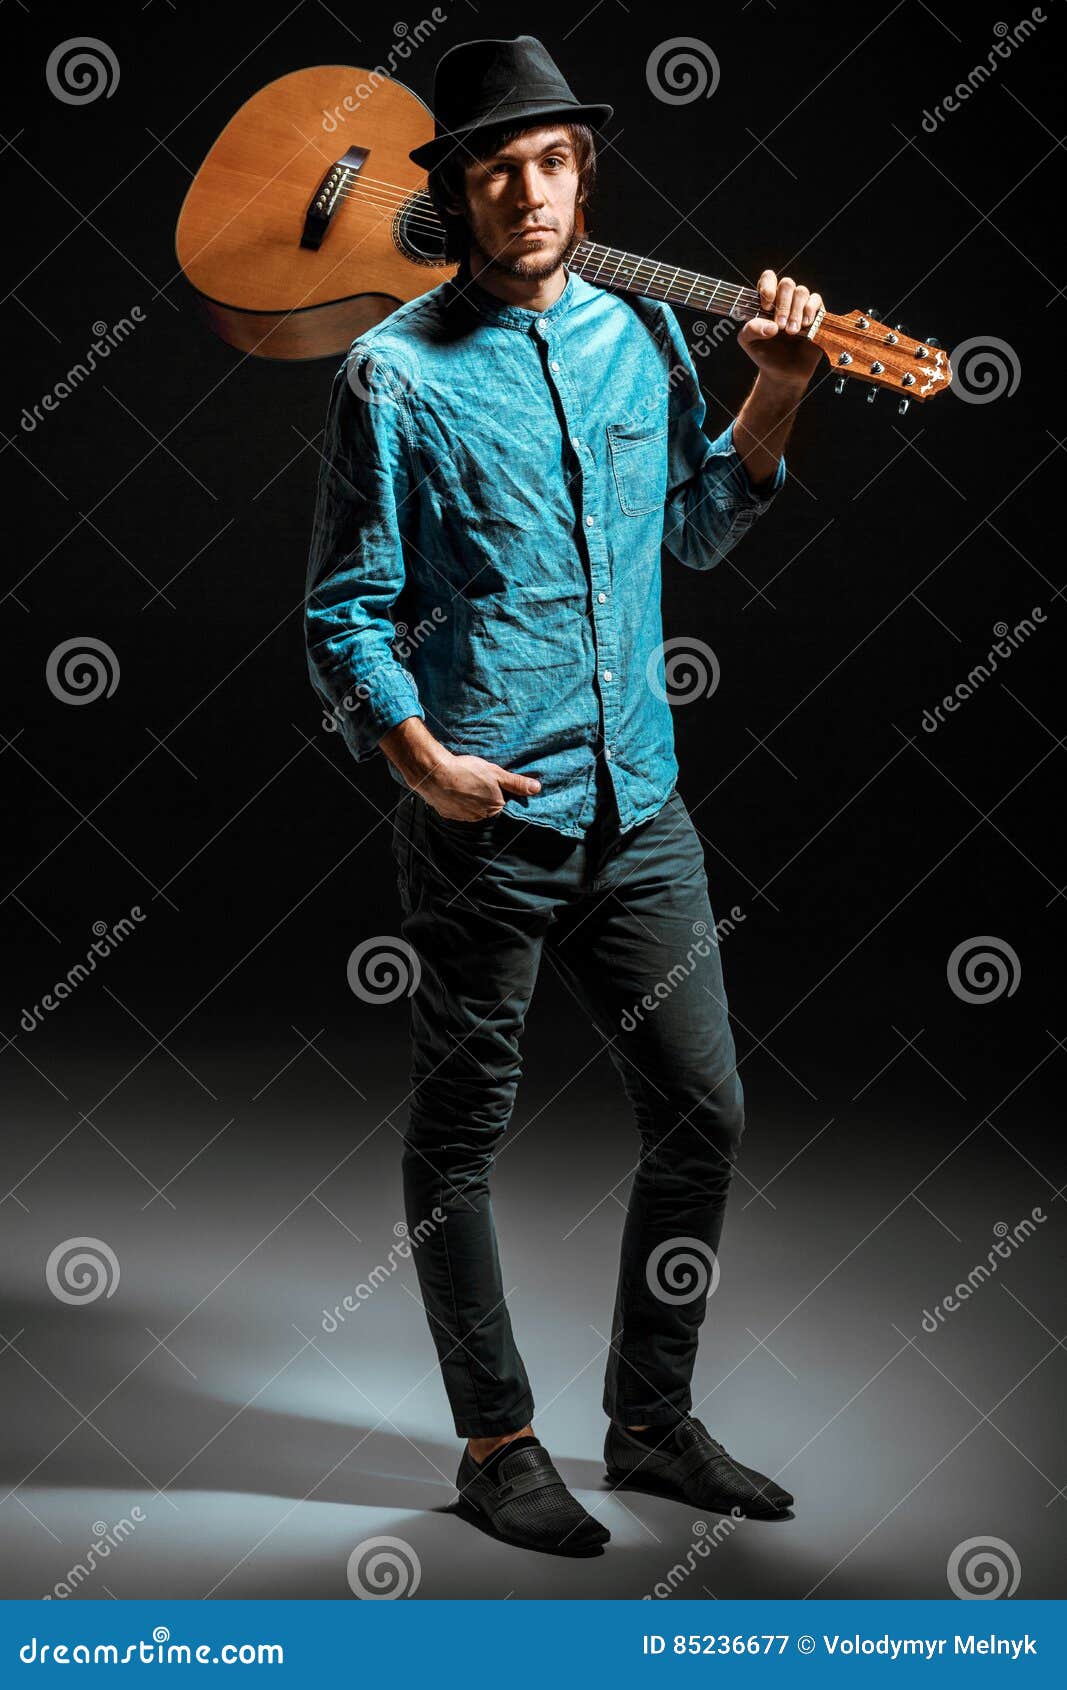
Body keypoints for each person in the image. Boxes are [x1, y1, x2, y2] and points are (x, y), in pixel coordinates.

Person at [305, 35, 821, 1556]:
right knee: (461, 1133)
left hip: (641, 807)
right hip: (487, 818)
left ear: (584, 174)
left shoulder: (641, 339)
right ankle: (496, 1440)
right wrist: (422, 764)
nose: (529, 192)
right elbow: (344, 616)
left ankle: (651, 1424)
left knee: (704, 1111)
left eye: (553, 162)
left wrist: (778, 394)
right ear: (456, 193)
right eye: (495, 168)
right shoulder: (390, 374)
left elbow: (709, 530)